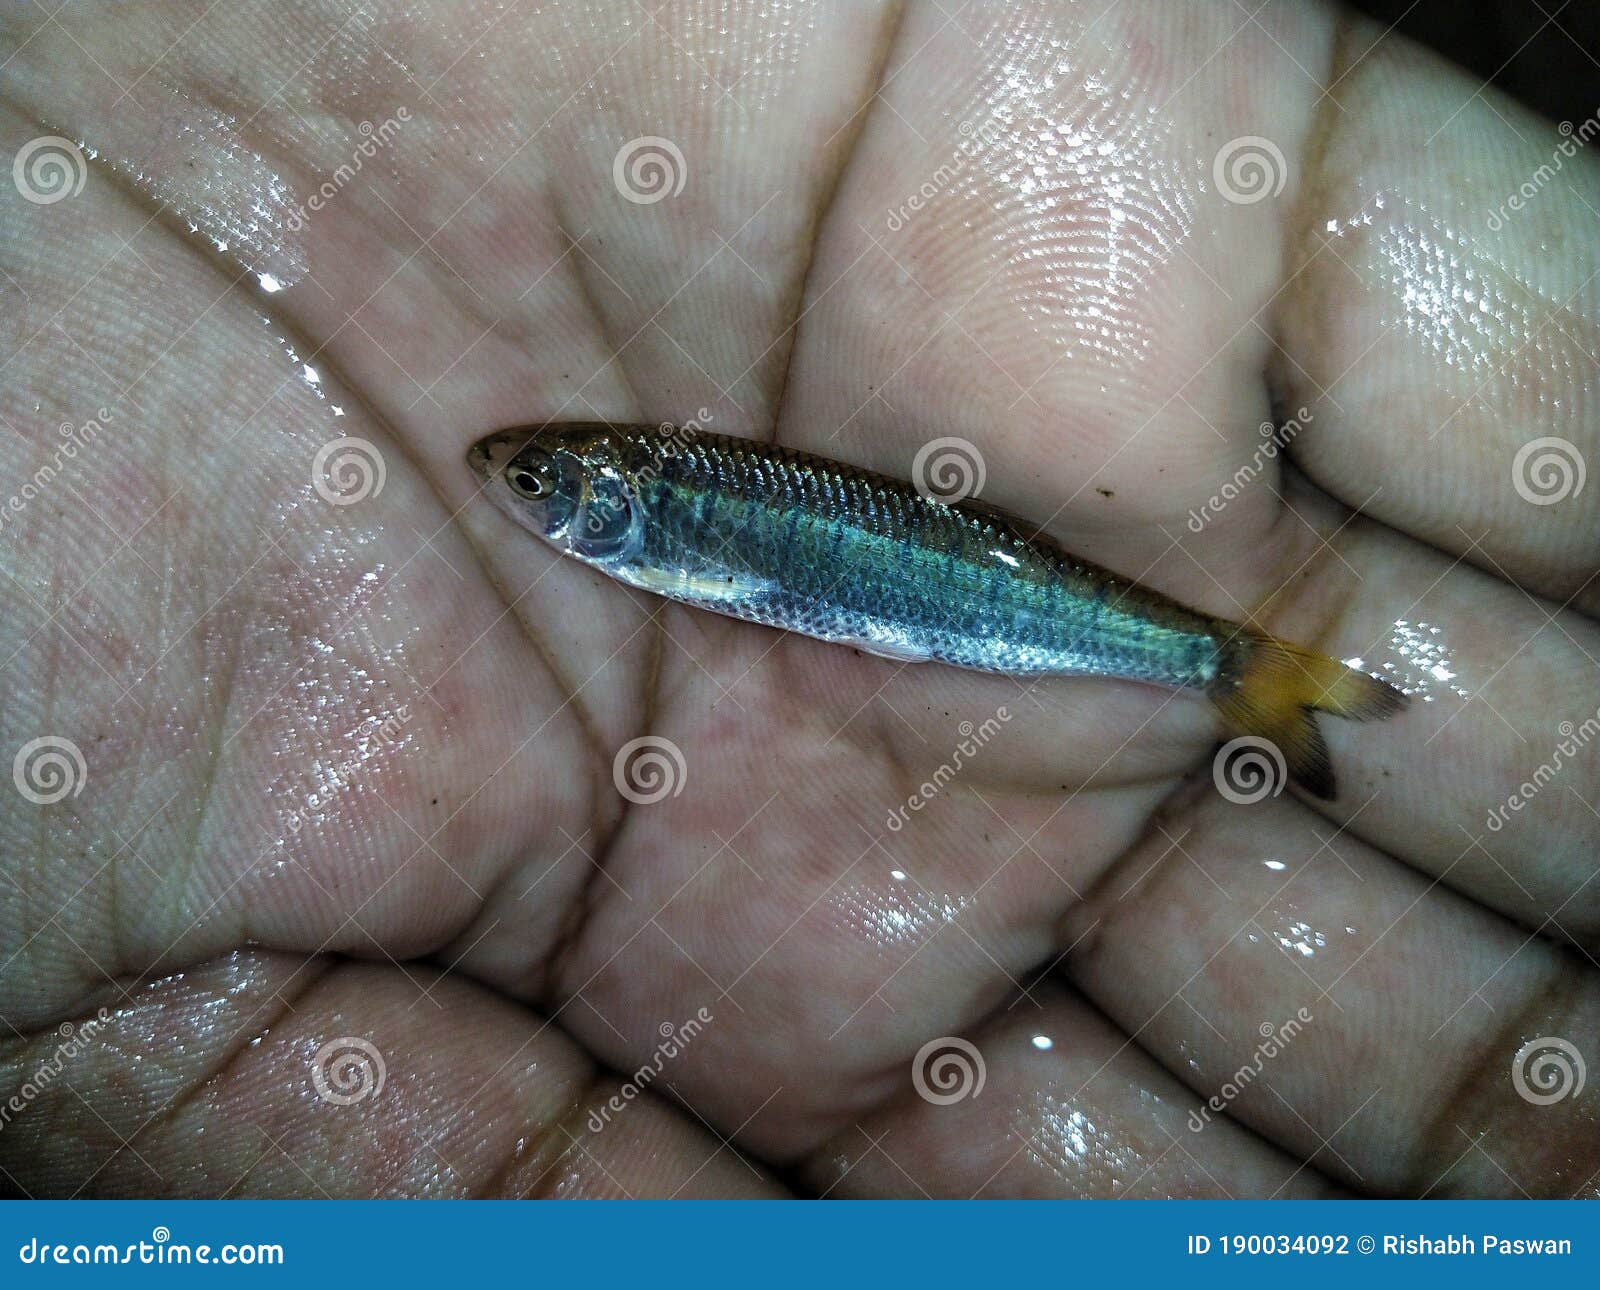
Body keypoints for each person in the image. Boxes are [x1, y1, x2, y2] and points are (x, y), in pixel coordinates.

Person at [0, 0, 1594, 1197]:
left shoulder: (659, 516)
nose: (535, 502)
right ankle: (1234, 667)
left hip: (997, 602)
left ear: (614, 503)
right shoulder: (648, 509)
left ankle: (1237, 665)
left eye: (552, 492)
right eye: (546, 491)